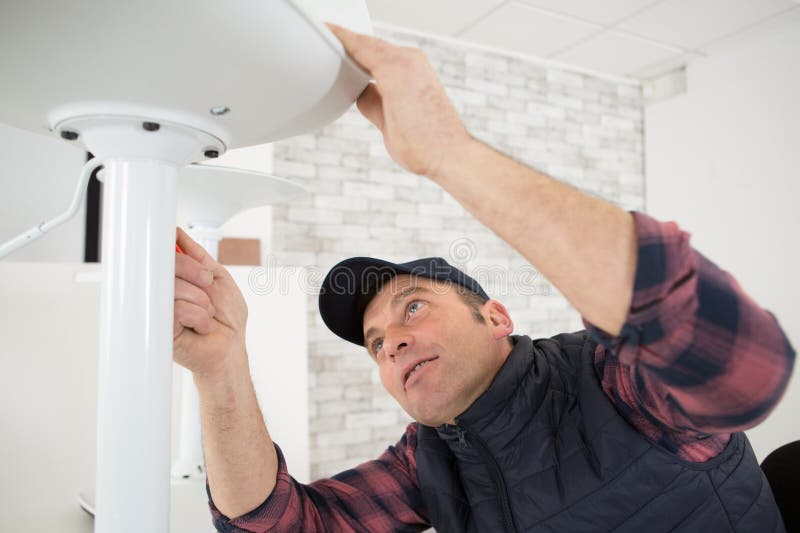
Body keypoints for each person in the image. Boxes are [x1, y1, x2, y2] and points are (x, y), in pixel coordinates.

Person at [172, 24, 796, 532]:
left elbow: (743, 371)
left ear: (497, 317)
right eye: (375, 343)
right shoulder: (428, 457)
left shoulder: (609, 385)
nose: (390, 343)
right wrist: (219, 367)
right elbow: (280, 528)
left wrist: (448, 153)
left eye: (411, 308)